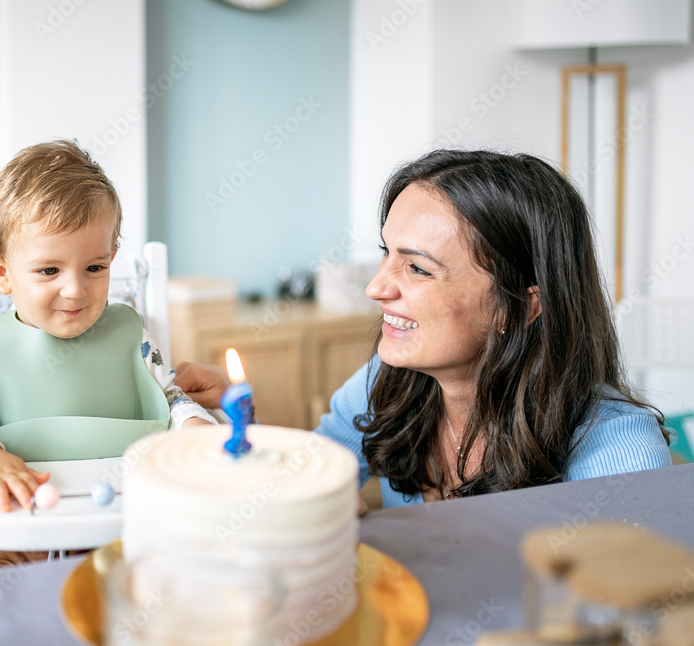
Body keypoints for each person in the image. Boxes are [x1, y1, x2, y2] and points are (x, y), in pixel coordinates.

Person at [176, 149, 671, 510]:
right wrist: (238, 424)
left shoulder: (617, 453)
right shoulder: (386, 383)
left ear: (519, 306)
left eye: (417, 269)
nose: (375, 287)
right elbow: (305, 483)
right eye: (385, 253)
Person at [0, 139, 216, 518]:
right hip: (24, 519)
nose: (75, 290)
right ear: (2, 273)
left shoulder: (130, 338)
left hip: (127, 514)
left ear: (111, 260)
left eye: (94, 268)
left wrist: (193, 427)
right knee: (3, 564)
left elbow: (170, 400)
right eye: (49, 270)